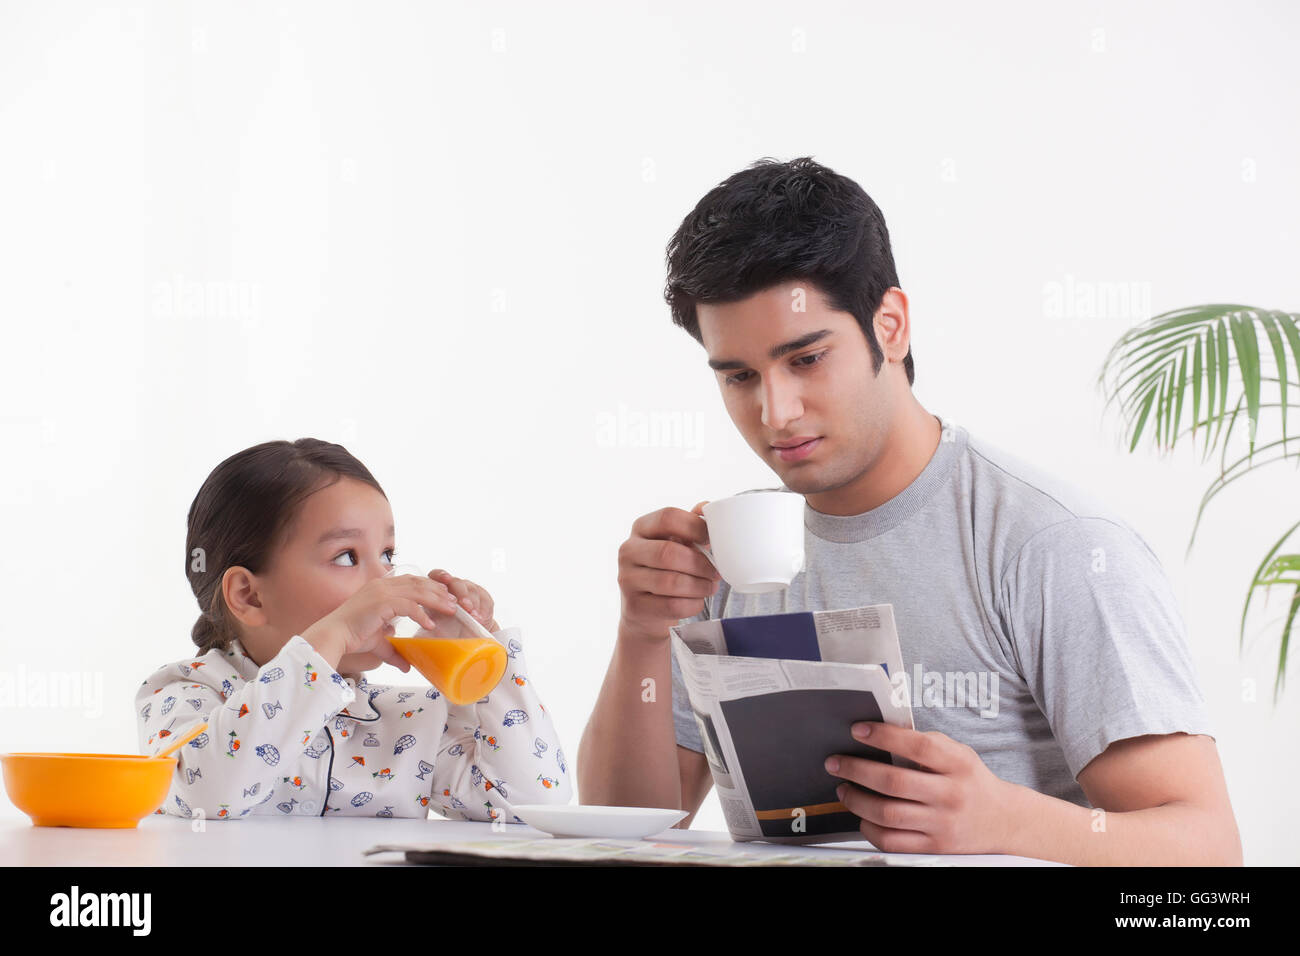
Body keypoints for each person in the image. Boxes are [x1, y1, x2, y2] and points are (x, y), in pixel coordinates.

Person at [577, 156, 1241, 865]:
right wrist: (643, 633)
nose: (775, 412)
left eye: (805, 359)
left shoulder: (1051, 544)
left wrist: (1012, 823)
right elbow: (632, 831)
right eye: (740, 376)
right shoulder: (728, 554)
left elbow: (1208, 848)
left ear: (889, 326)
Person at [137, 438, 571, 821]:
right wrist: (333, 635)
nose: (384, 581)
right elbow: (207, 794)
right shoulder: (184, 693)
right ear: (250, 596)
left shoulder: (407, 721)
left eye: (387, 554)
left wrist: (488, 654)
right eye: (346, 556)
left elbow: (530, 803)